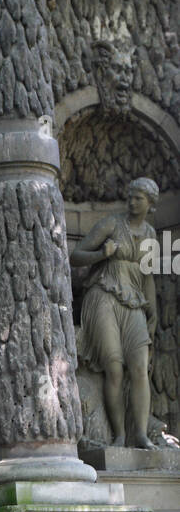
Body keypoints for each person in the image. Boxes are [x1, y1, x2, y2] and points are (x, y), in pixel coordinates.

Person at [70, 177, 159, 450]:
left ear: (150, 204)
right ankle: (119, 435)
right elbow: (76, 256)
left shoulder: (151, 234)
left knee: (140, 368)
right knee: (114, 368)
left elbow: (148, 275)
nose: (132, 202)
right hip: (103, 297)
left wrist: (152, 310)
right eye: (130, 196)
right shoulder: (110, 224)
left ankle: (141, 436)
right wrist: (102, 254)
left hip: (134, 302)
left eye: (138, 198)